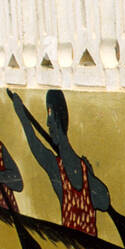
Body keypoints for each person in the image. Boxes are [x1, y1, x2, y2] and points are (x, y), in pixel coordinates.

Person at [9, 88, 109, 237]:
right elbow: (35, 145)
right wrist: (22, 117)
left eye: (51, 115)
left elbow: (104, 202)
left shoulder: (73, 169)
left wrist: (91, 176)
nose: (48, 123)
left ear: (60, 120)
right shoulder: (67, 168)